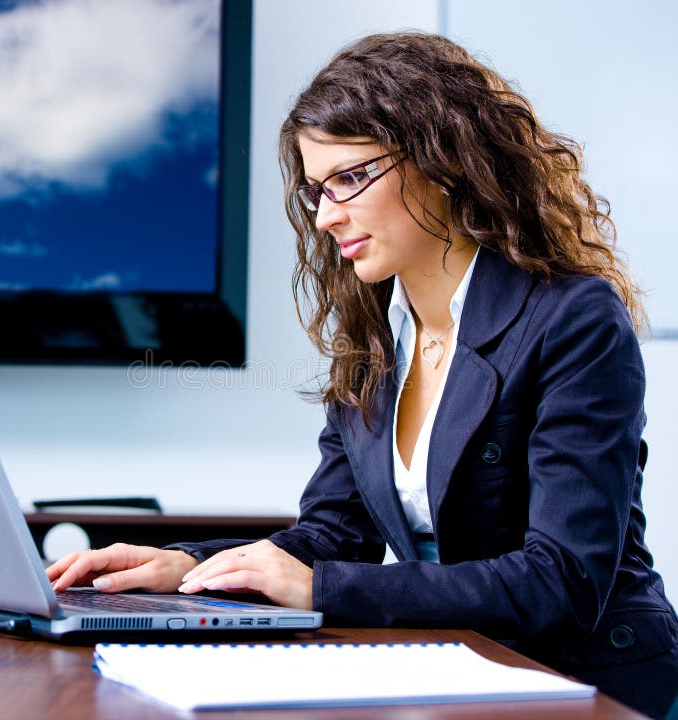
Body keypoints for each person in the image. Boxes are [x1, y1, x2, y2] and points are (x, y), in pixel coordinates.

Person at [47, 32, 678, 717]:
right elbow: (332, 536)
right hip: (459, 664)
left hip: (589, 679)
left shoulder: (573, 318)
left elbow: (561, 580)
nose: (325, 216)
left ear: (443, 160)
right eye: (317, 190)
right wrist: (191, 568)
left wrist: (322, 591)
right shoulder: (377, 331)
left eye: (349, 178)